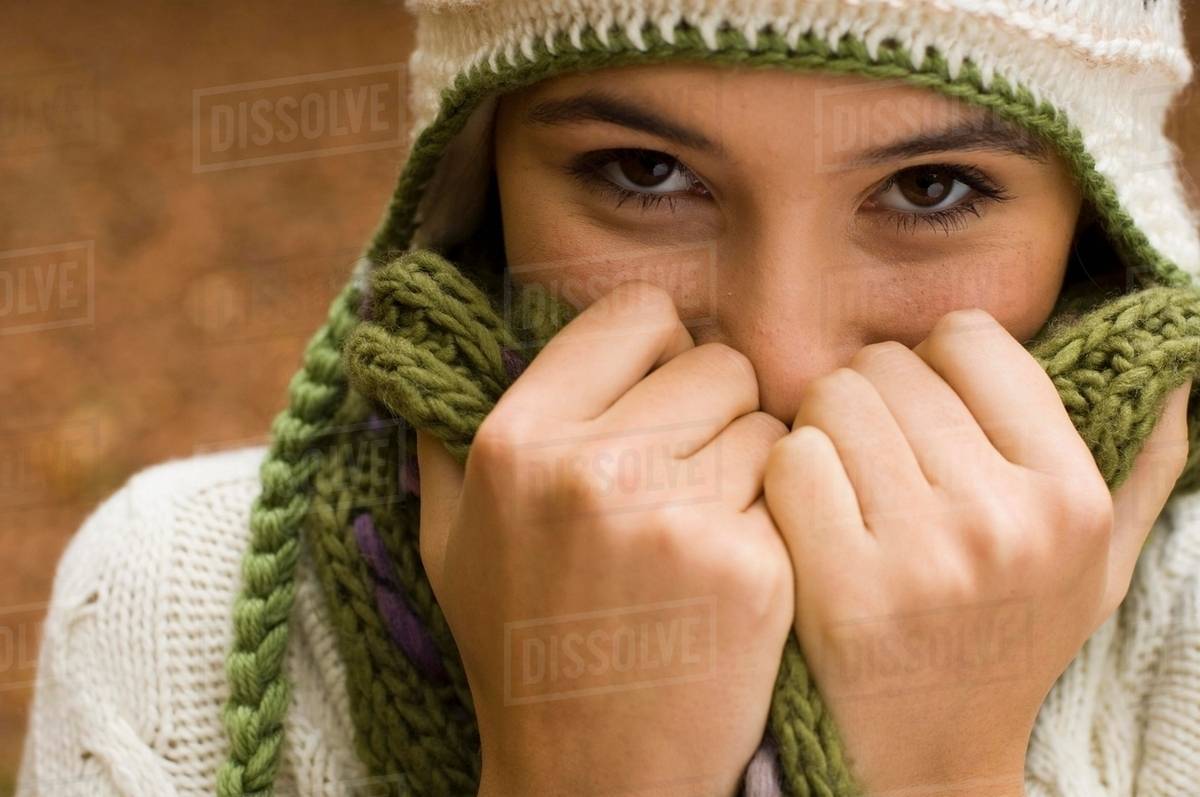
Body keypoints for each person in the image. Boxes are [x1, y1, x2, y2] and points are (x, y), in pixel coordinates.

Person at [16, 2, 1200, 796]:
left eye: (931, 188)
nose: (783, 355)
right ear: (475, 190)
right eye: (645, 175)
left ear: (1100, 231)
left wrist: (942, 769)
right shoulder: (180, 593)